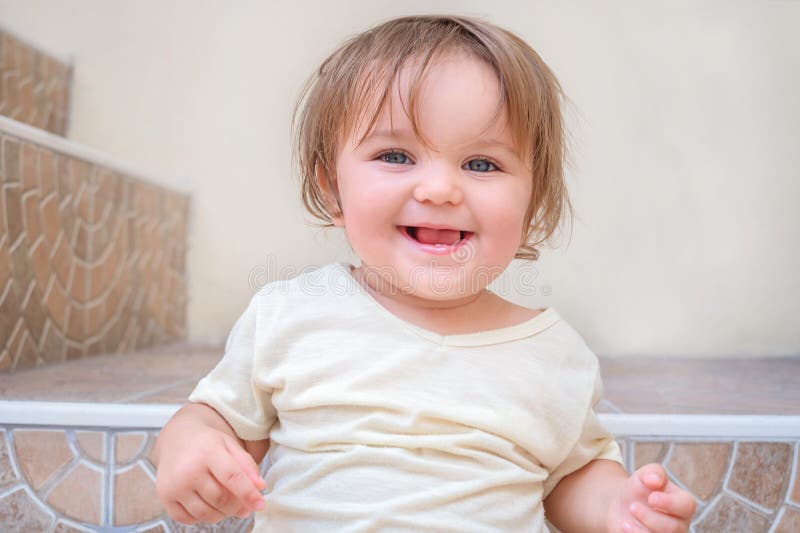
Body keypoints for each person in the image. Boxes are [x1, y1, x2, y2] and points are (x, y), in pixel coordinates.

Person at [154, 15, 696, 532]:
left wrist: (618, 508)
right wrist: (192, 447)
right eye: (395, 155)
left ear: (532, 203)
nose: (439, 189)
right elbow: (216, 421)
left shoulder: (554, 356)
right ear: (331, 188)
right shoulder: (290, 316)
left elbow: (571, 477)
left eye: (481, 164)